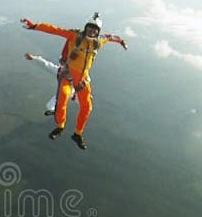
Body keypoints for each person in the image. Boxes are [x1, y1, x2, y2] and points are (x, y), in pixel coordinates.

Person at [21, 13, 128, 150]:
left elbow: (111, 37)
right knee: (63, 97)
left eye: (95, 30)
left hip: (82, 80)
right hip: (68, 76)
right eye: (90, 28)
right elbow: (54, 30)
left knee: (87, 107)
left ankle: (77, 134)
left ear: (98, 32)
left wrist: (122, 41)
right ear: (85, 28)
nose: (92, 31)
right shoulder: (75, 36)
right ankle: (60, 127)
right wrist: (34, 26)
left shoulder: (98, 41)